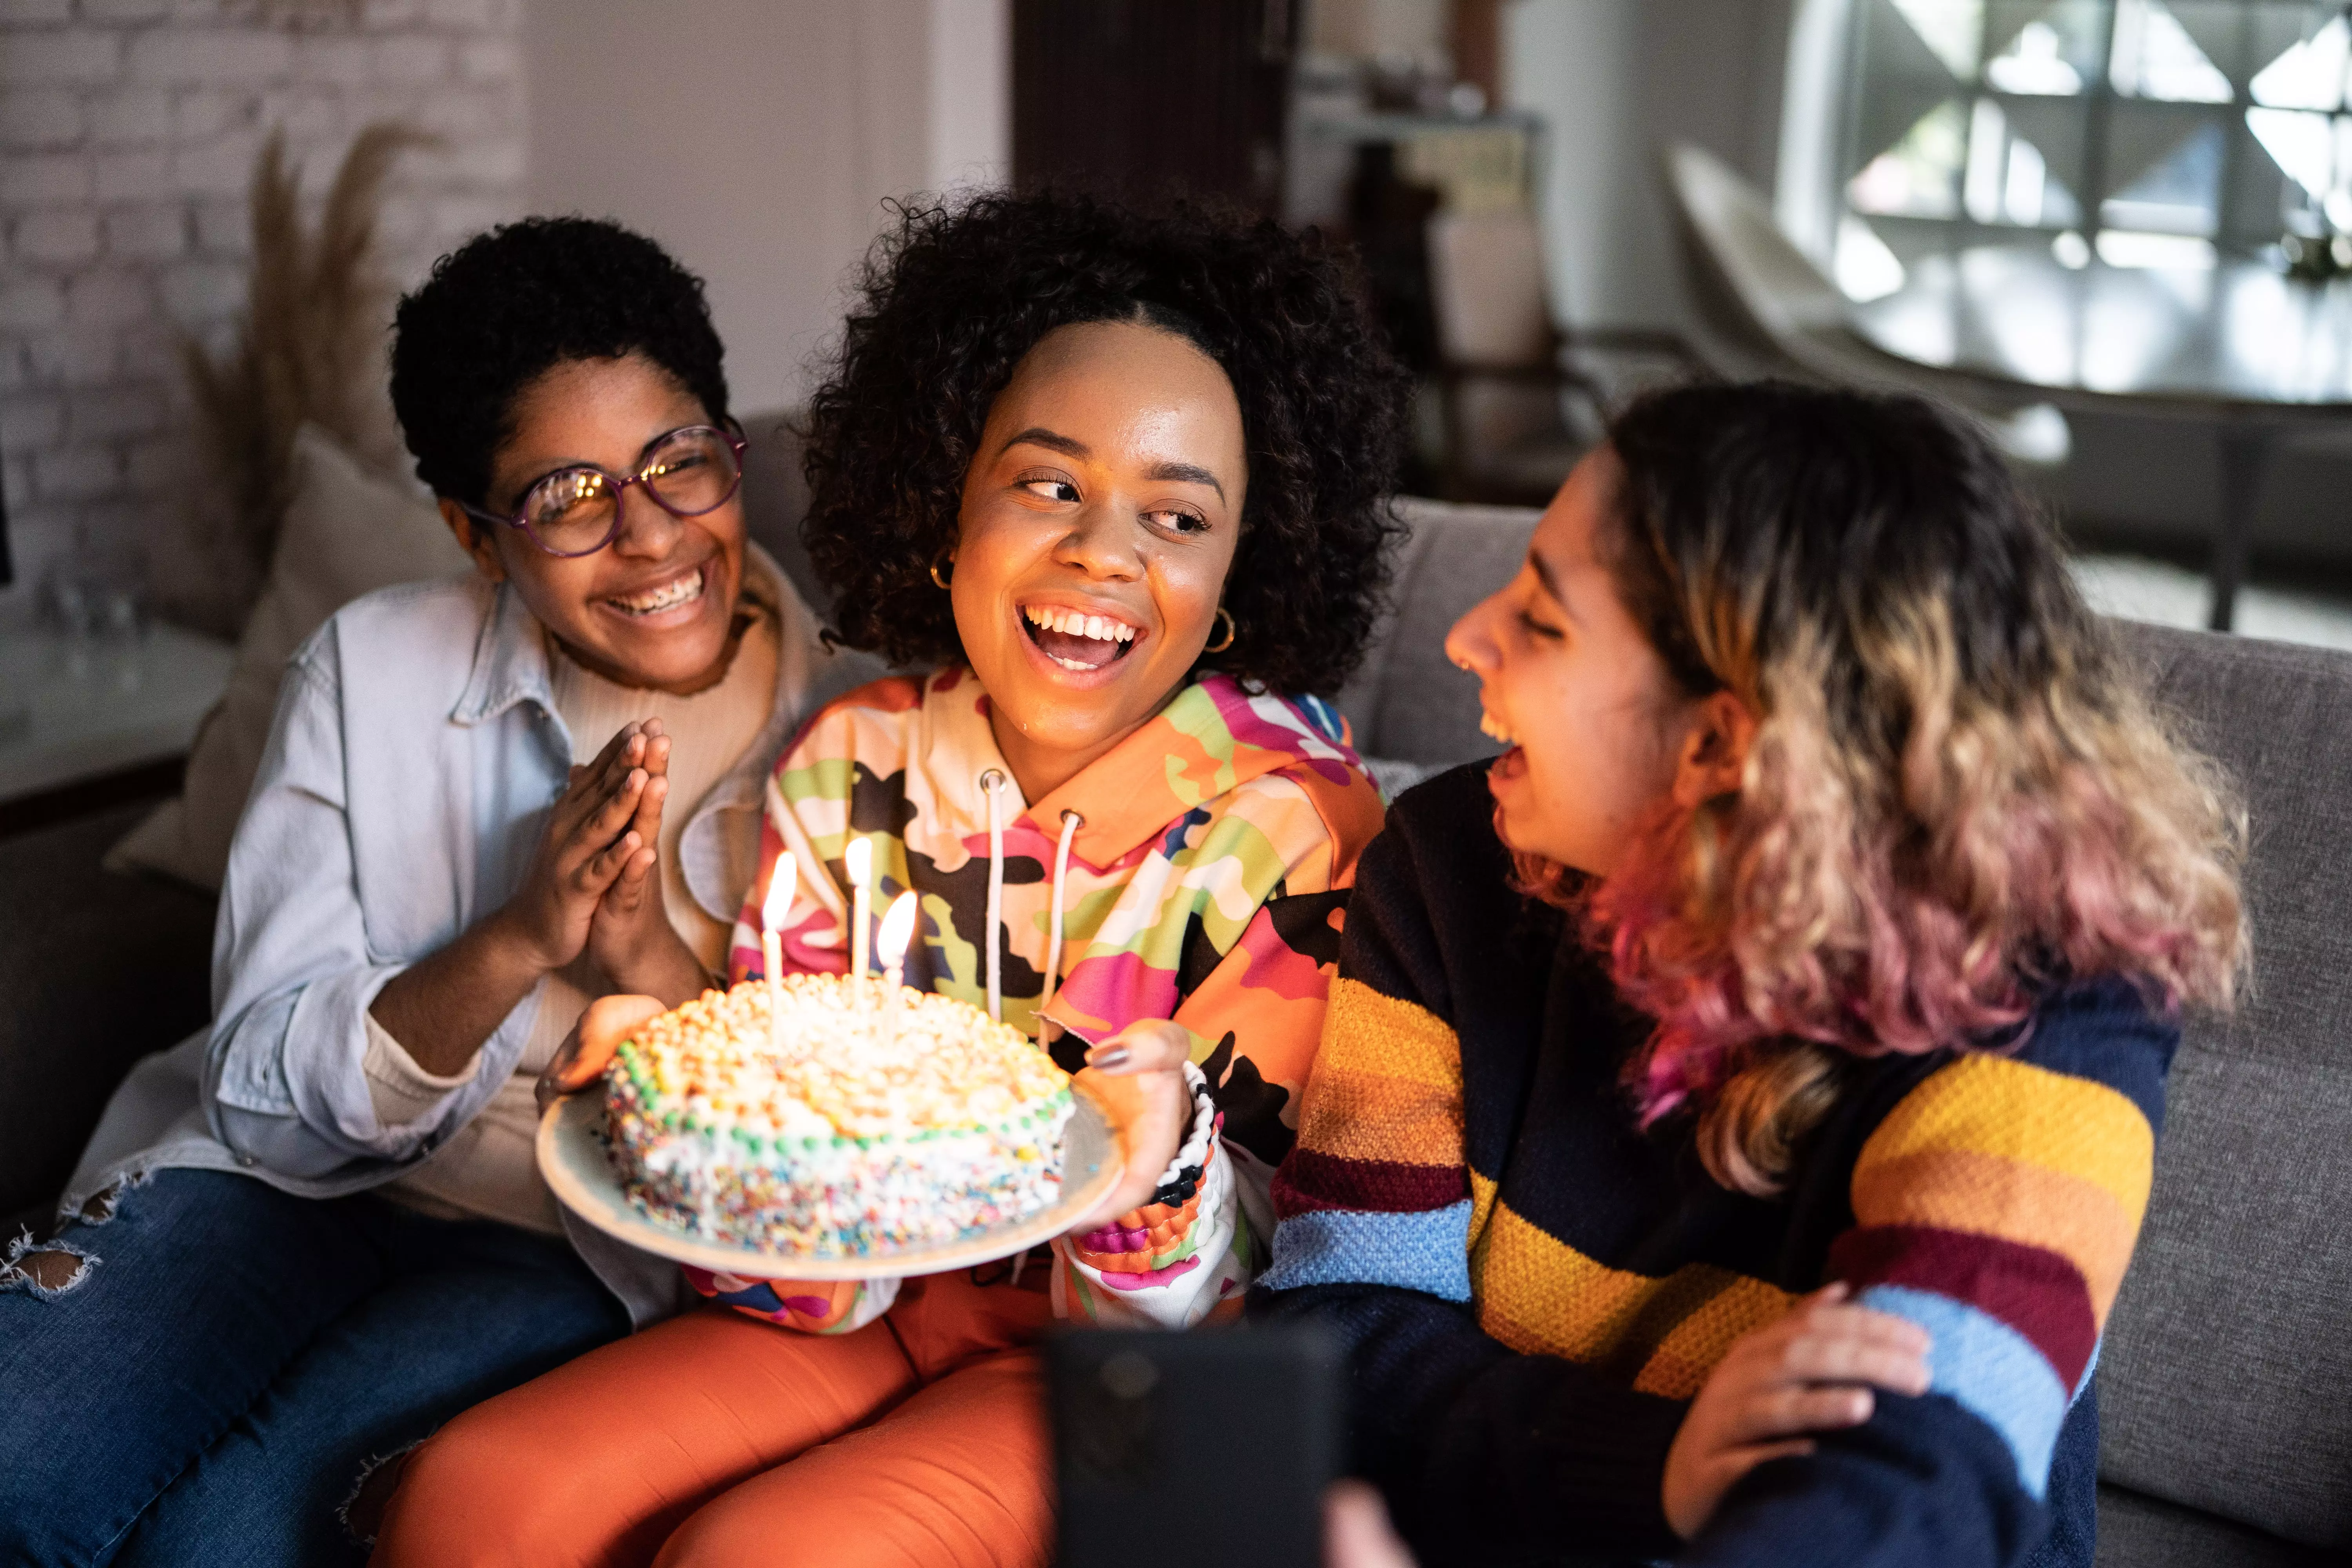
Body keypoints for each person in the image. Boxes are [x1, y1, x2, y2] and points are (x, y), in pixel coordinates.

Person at [369, 188, 1412, 1567]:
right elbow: (812, 1288)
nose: (1104, 550)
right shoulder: (844, 767)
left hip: (1139, 1373)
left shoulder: (1296, 832)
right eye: (1048, 485)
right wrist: (697, 1122)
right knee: (475, 1493)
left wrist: (1151, 1177)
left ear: (1235, 575)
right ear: (948, 505)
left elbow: (1243, 1294)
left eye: (1176, 516)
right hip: (862, 1315)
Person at [1253, 382, 2245, 1568]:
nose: (1468, 635)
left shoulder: (2060, 999)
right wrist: (1658, 1464)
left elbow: (1921, 1479)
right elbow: (1339, 1339)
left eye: (1544, 620)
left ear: (1719, 744)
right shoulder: (1444, 872)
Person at [0, 217, 868, 1566]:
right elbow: (267, 1096)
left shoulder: (864, 740)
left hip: (569, 1254)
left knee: (222, 1550)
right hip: (277, 1181)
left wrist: (643, 964)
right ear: (477, 534)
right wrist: (520, 936)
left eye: (677, 462)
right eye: (568, 498)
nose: (647, 537)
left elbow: (815, 1158)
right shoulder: (373, 670)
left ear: (723, 449)